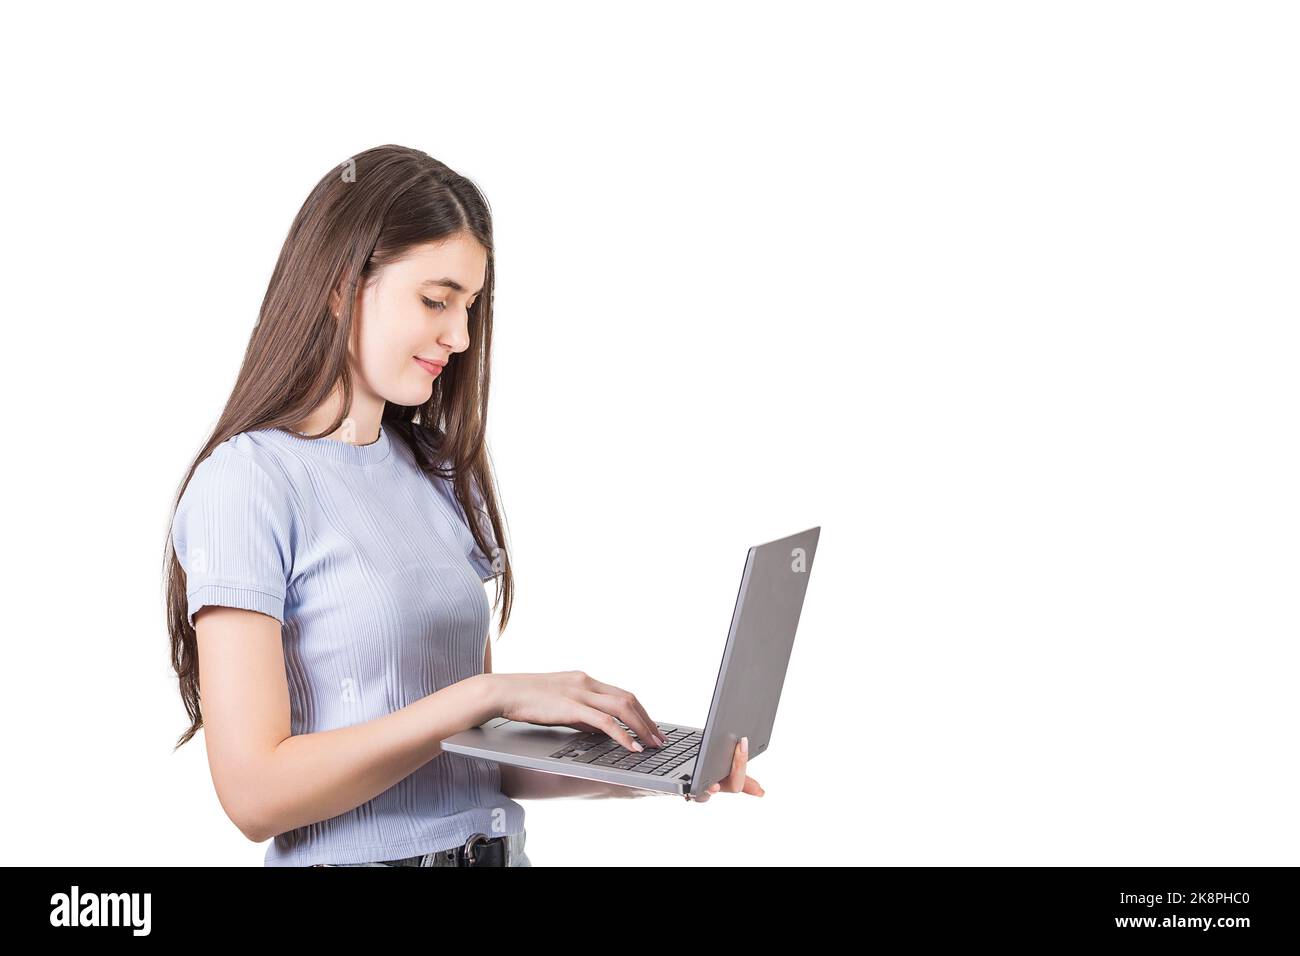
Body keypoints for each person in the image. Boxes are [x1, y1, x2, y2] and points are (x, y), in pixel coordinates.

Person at [164, 145, 762, 868]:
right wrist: (486, 693)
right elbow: (254, 795)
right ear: (338, 287)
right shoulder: (248, 483)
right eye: (434, 299)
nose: (461, 336)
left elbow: (469, 761)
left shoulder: (439, 470)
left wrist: (645, 771)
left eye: (470, 305)